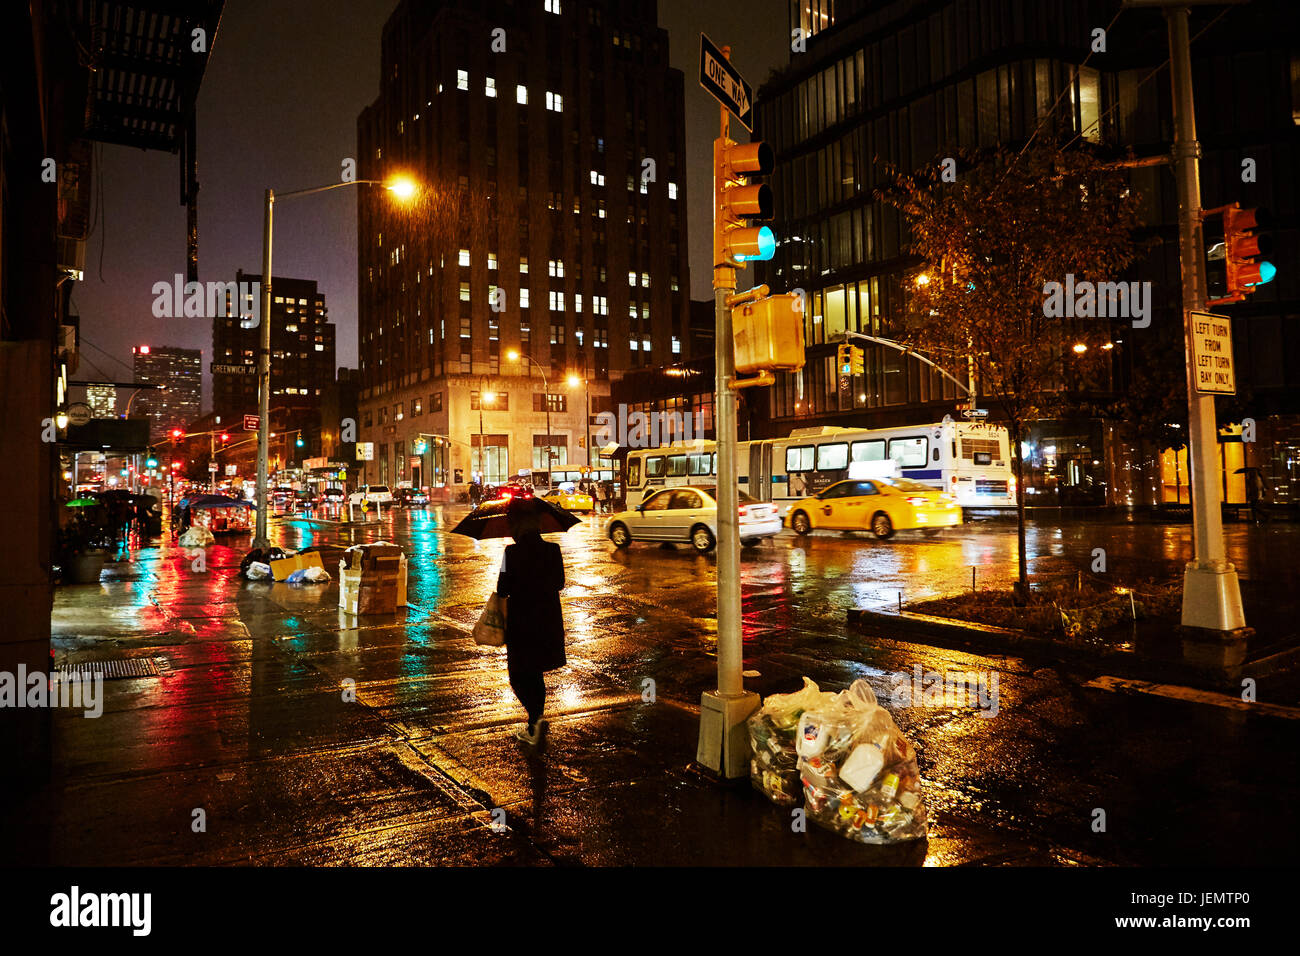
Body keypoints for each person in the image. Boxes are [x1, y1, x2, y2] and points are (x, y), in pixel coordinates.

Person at [496, 502, 567, 748]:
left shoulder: (510, 554)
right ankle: (535, 721)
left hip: (521, 621)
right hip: (547, 618)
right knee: (536, 672)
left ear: (517, 525)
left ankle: (535, 720)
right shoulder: (553, 550)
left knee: (519, 674)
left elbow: (501, 589)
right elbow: (559, 582)